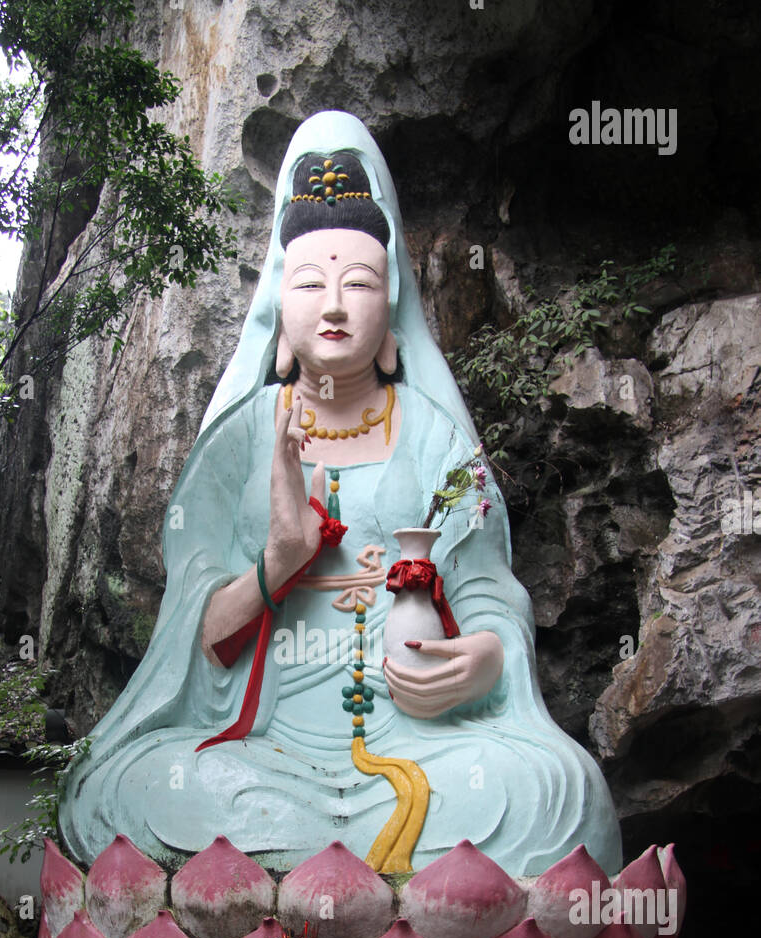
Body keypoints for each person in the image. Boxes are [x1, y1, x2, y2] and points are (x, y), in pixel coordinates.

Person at [58, 111, 622, 878]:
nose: (332, 306)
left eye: (357, 283)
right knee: (124, 793)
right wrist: (276, 563)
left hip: (419, 748)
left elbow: (485, 585)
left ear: (390, 303)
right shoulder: (238, 444)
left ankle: (266, 887)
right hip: (261, 754)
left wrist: (484, 658)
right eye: (310, 282)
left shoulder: (434, 439)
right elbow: (194, 634)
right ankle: (393, 892)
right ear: (278, 311)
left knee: (564, 793)